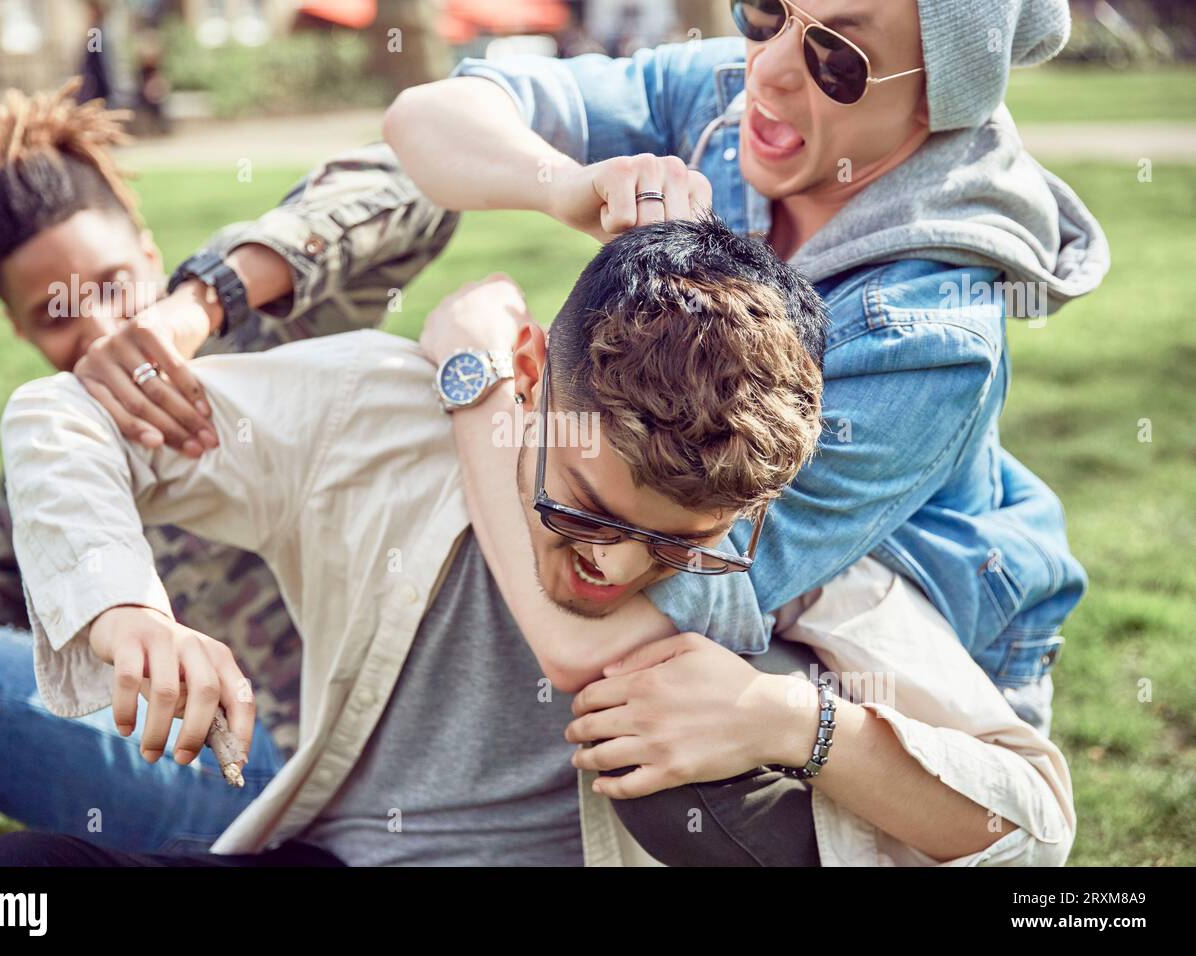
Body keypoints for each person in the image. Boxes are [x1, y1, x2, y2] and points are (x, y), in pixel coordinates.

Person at [0, 216, 1071, 867]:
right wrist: (125, 609)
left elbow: (1034, 824)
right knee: (10, 880)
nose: (615, 570)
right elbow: (63, 415)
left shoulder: (786, 539)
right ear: (529, 377)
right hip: (341, 858)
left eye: (675, 546)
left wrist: (790, 715)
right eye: (583, 506)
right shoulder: (378, 413)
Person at [382, 0, 1110, 748]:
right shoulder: (731, 94)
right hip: (800, 608)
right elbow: (423, 116)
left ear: (937, 97)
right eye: (764, 9)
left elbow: (586, 646)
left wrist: (479, 383)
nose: (767, 68)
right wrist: (562, 184)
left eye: (837, 59)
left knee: (656, 732)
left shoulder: (930, 334)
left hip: (923, 676)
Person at [0, 82, 458, 853]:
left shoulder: (264, 334)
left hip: (318, 772)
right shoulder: (60, 453)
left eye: (109, 284)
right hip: (190, 762)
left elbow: (422, 177)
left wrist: (202, 302)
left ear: (151, 254)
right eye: (53, 313)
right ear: (15, 328)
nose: (95, 326)